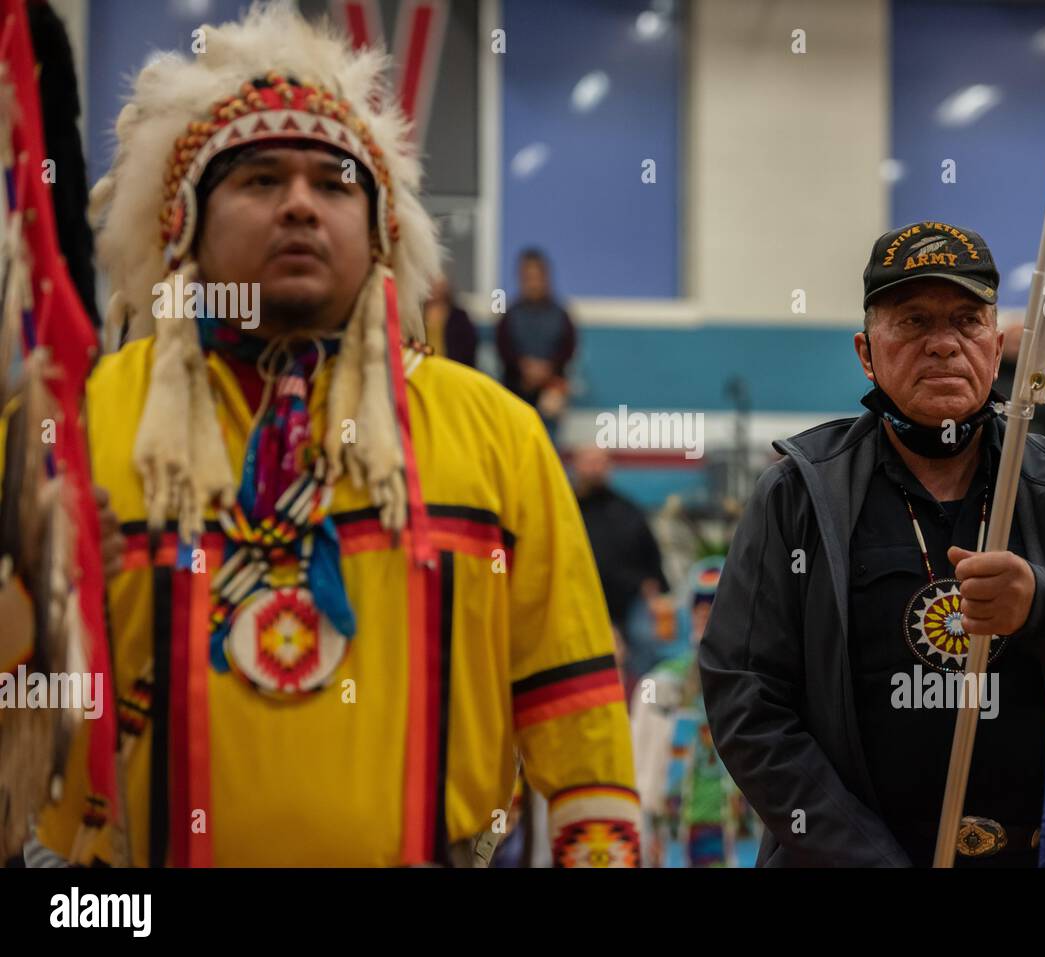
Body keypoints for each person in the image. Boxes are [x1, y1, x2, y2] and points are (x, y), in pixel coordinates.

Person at [37, 2, 638, 868]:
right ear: (184, 228)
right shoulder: (86, 424)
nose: (300, 206)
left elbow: (574, 713)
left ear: (381, 229)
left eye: (334, 182)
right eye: (258, 180)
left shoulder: (495, 433)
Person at [701, 221, 1045, 867]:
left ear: (999, 341)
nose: (944, 345)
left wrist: (1042, 606)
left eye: (965, 319)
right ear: (866, 351)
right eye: (914, 321)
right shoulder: (796, 494)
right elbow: (746, 699)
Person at [631, 557, 759, 867]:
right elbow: (640, 774)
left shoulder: (759, 686)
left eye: (716, 602)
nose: (706, 612)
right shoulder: (658, 686)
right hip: (675, 840)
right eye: (699, 604)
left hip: (741, 840)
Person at [570, 445, 673, 687]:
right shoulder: (565, 509)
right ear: (576, 465)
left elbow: (652, 560)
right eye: (589, 462)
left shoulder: (627, 510)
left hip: (629, 606)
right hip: (580, 604)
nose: (595, 469)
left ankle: (639, 705)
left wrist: (655, 592)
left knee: (645, 640)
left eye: (601, 462)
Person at [496, 248, 576, 433]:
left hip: (552, 384)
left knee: (551, 407)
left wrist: (547, 370)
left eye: (537, 277)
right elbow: (504, 349)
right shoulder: (510, 314)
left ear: (546, 278)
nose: (533, 283)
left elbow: (568, 348)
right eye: (527, 277)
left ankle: (549, 457)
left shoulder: (560, 314)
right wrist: (524, 368)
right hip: (517, 385)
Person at [423, 275, 478, 368]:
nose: (435, 288)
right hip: (424, 368)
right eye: (432, 283)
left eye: (438, 284)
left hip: (451, 368)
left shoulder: (459, 317)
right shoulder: (417, 315)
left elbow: (468, 348)